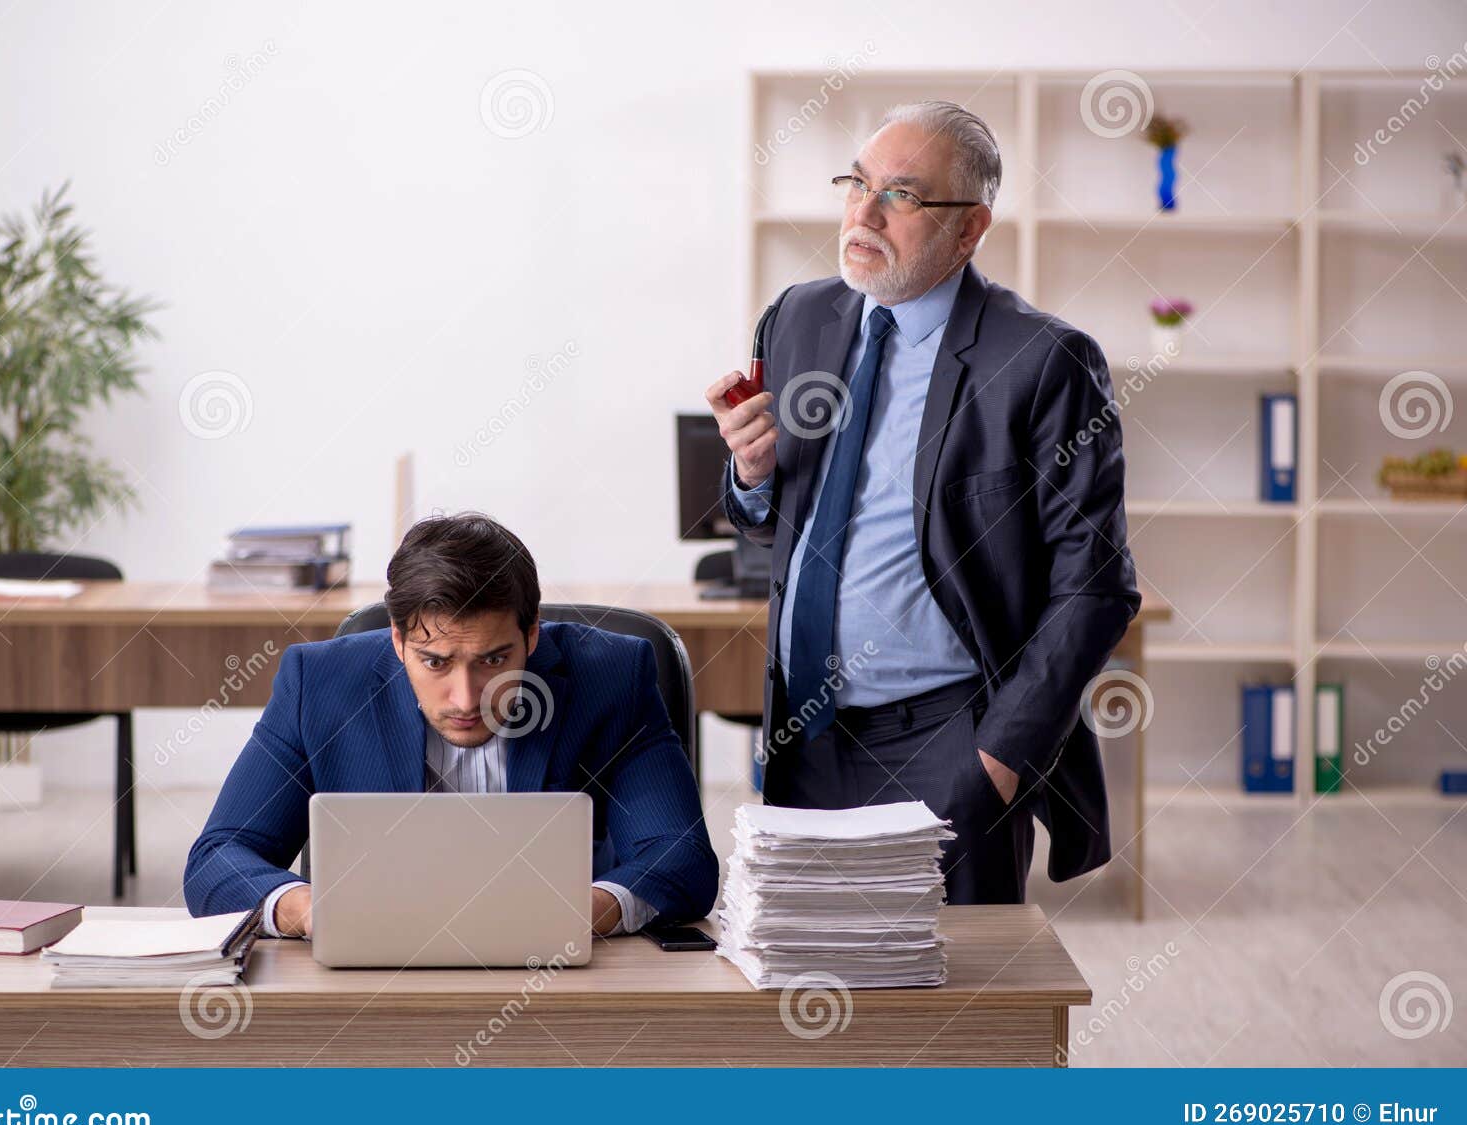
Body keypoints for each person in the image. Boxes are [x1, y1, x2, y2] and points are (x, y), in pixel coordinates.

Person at [709, 100, 1141, 903]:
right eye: (856, 183)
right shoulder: (799, 318)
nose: (863, 214)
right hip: (804, 732)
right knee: (814, 980)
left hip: (948, 741)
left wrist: (997, 759)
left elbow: (1097, 585)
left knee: (951, 1013)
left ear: (970, 229)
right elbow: (769, 518)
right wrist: (752, 476)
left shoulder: (1043, 361)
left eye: (901, 196)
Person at [185, 513, 719, 938]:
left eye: (492, 659)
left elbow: (682, 856)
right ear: (397, 641)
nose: (466, 699)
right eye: (435, 662)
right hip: (373, 985)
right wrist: (309, 908)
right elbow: (217, 858)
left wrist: (588, 910)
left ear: (532, 635)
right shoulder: (318, 684)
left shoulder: (612, 678)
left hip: (554, 976)